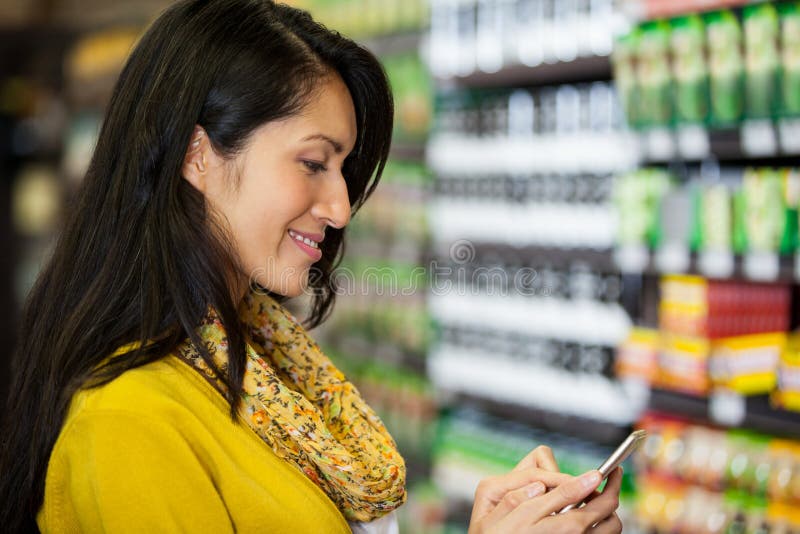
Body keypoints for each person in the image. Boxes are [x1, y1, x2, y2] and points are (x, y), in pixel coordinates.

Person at [0, 1, 623, 532]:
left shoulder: (261, 367)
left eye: (343, 168)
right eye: (313, 163)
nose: (341, 207)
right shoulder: (128, 428)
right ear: (198, 155)